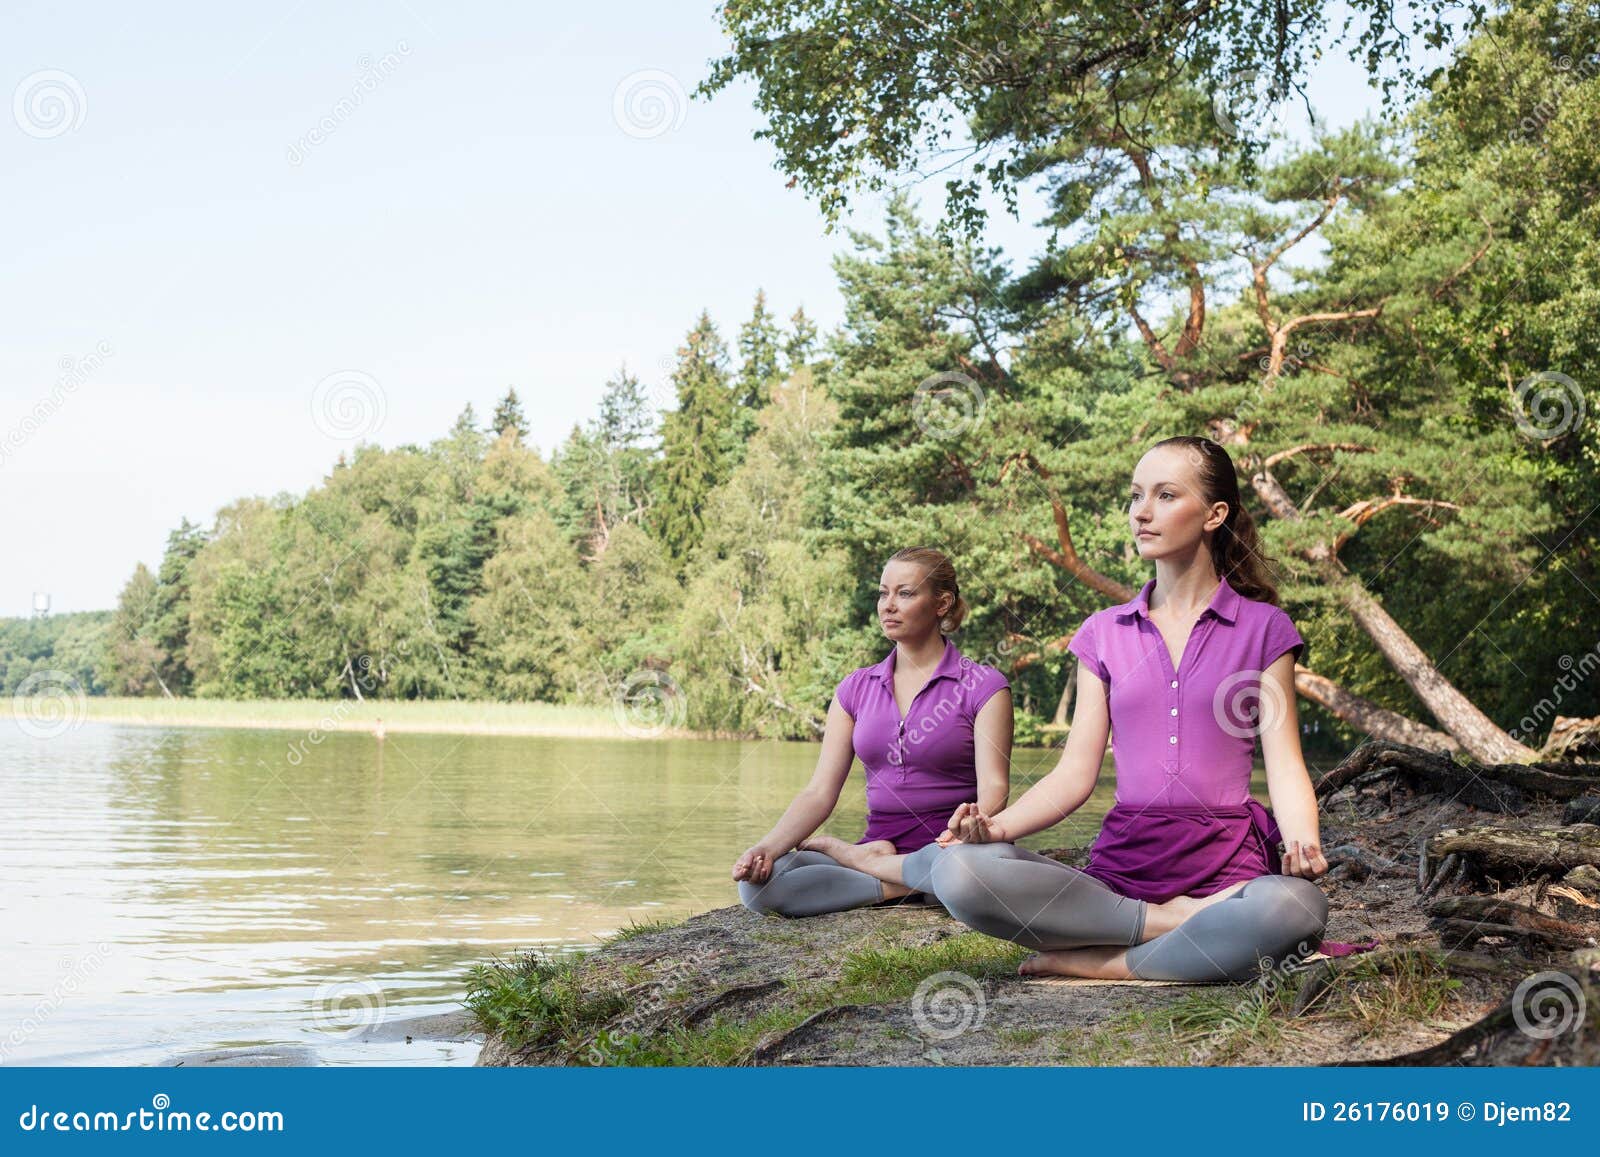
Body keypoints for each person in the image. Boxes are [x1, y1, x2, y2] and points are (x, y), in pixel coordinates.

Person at [821, 437, 1331, 981]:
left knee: (1295, 908)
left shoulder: (1264, 629)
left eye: (1164, 496)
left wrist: (1303, 841)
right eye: (1135, 496)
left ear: (1214, 514)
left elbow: (1284, 761)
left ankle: (1114, 962)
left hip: (1228, 868)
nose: (1141, 512)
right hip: (1121, 871)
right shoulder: (1102, 633)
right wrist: (991, 830)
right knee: (960, 871)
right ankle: (1172, 923)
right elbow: (1073, 775)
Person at [732, 547, 1012, 917]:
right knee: (757, 888)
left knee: (980, 866)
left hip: (950, 848)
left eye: (905, 593)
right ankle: (904, 880)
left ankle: (879, 871)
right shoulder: (856, 688)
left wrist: (966, 830)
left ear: (942, 603)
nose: (888, 605)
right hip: (880, 846)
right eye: (883, 593)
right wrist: (767, 848)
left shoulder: (983, 685)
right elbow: (819, 790)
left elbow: (995, 788)